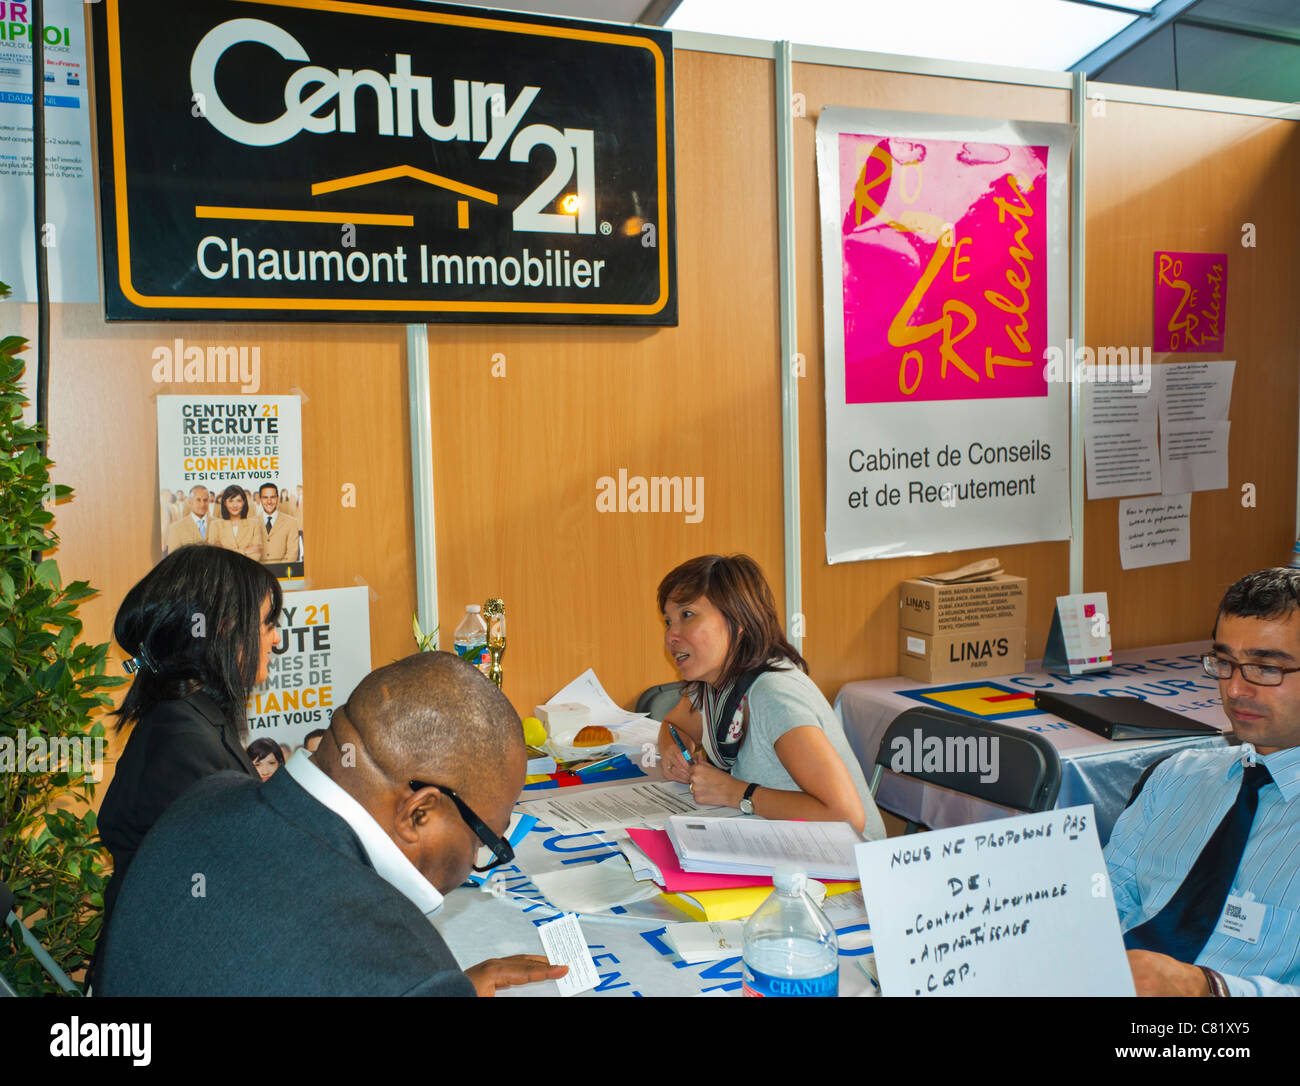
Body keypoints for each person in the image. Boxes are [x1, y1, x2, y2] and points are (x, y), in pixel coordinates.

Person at [95, 652, 567, 997]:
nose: (476, 861)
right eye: (486, 840)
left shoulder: (201, 799)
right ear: (419, 812)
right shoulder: (402, 969)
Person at [1105, 567, 1300, 997]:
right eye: (1226, 663)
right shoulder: (1177, 778)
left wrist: (1205, 989)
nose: (1234, 689)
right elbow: (1101, 902)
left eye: (1266, 668)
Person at [97, 546, 282, 932]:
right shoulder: (181, 741)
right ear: (223, 627)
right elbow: (220, 893)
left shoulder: (193, 719)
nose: (277, 639)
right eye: (267, 624)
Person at [656, 554, 885, 839]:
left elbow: (846, 817)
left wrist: (737, 793)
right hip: (781, 845)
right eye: (668, 621)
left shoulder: (774, 695)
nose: (670, 637)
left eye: (687, 615)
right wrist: (672, 750)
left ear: (737, 620)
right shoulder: (711, 682)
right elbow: (674, 726)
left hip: (844, 870)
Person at [211, 483, 265, 561]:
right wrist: (245, 551)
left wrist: (225, 552)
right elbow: (216, 556)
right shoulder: (215, 525)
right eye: (231, 501)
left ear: (244, 503)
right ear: (225, 503)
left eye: (238, 501)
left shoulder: (255, 524)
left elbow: (256, 555)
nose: (235, 505)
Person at [257, 482, 300, 564]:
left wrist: (278, 570)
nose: (269, 501)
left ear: (277, 498)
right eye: (265, 497)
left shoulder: (291, 522)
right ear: (260, 499)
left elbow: (292, 554)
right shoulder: (251, 523)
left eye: (272, 497)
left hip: (281, 574)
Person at [163, 485, 212, 553]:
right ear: (189, 502)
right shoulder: (176, 528)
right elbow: (173, 559)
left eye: (205, 500)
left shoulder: (220, 525)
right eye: (198, 500)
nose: (202, 504)